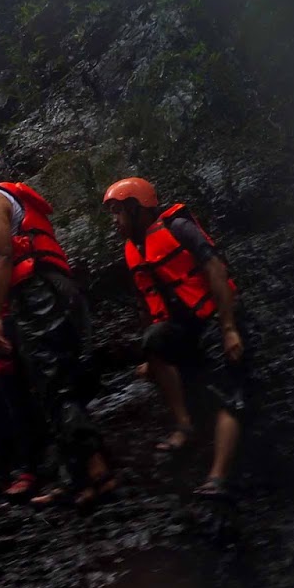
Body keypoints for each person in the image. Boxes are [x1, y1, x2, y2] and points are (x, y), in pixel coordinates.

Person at [0, 150, 117, 508]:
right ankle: (84, 475)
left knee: (54, 385)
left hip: (37, 294)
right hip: (50, 289)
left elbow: (3, 254)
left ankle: (94, 474)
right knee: (55, 384)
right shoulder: (7, 196)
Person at [103, 177, 246, 498]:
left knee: (229, 393)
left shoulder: (179, 228)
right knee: (152, 341)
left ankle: (218, 477)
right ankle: (185, 426)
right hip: (183, 328)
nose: (115, 221)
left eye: (118, 212)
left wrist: (229, 329)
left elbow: (216, 271)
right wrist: (150, 359)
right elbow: (147, 305)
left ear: (137, 210)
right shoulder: (133, 248)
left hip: (214, 318)